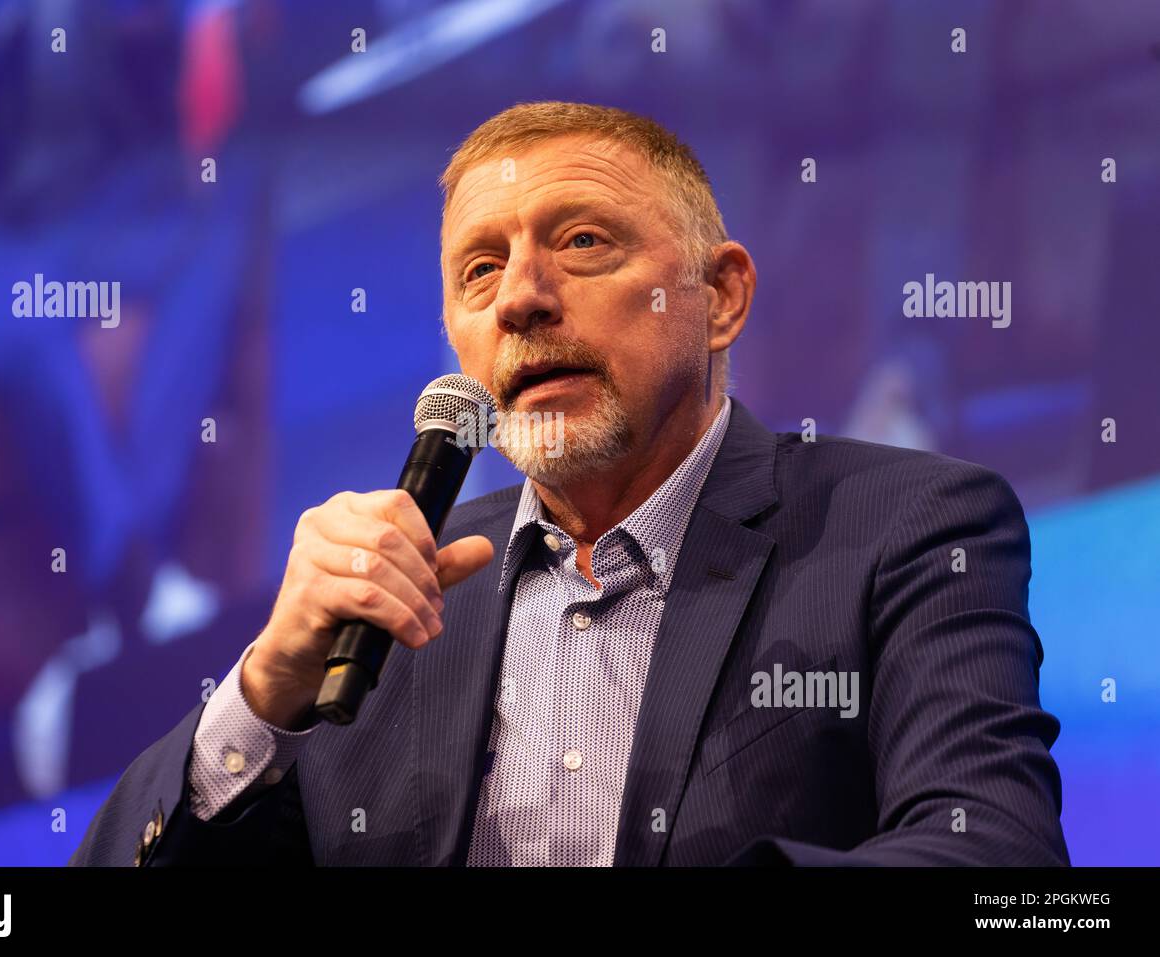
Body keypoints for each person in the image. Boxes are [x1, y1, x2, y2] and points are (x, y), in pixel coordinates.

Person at [72, 102, 1068, 867]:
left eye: (582, 242)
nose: (519, 300)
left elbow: (997, 861)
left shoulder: (903, 528)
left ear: (717, 297)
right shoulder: (385, 610)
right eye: (478, 271)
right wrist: (264, 697)